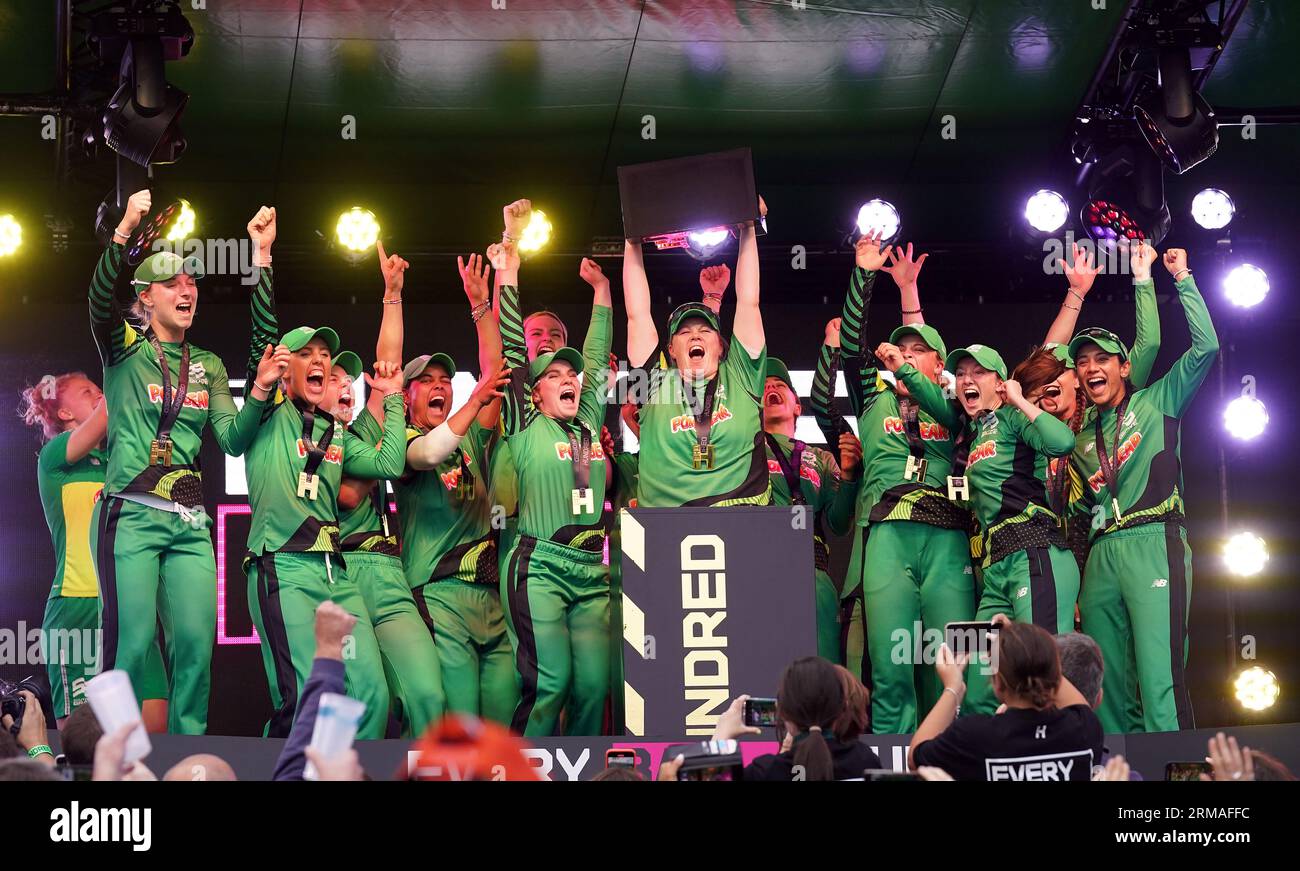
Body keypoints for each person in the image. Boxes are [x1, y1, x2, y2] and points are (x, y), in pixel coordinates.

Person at [87, 191, 286, 734]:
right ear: (145, 298)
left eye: (192, 282)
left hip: (190, 523)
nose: (187, 290)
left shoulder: (210, 366)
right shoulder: (125, 348)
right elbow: (99, 299)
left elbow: (234, 440)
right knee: (129, 646)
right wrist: (124, 230)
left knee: (197, 646)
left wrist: (263, 391)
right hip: (130, 515)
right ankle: (115, 759)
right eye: (172, 283)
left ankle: (182, 758)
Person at [239, 208, 409, 739]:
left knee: (371, 695)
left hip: (334, 575)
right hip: (281, 570)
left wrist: (393, 397)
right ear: (281, 368)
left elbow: (389, 464)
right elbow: (265, 333)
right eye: (306, 354)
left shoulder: (337, 433)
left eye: (325, 355)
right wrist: (262, 257)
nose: (318, 361)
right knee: (302, 703)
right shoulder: (270, 413)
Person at [810, 235, 973, 732]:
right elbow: (855, 341)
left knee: (953, 668)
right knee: (891, 666)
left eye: (918, 351)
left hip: (947, 537)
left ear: (939, 366)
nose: (904, 356)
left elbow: (944, 400)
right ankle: (892, 764)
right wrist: (861, 275)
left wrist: (910, 314)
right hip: (886, 535)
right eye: (898, 350)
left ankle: (952, 758)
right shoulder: (873, 399)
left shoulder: (955, 405)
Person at [1067, 247, 1218, 733]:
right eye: (1083, 361)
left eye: (1103, 359)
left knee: (1159, 680)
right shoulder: (1079, 437)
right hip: (1101, 556)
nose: (1093, 368)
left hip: (1155, 541)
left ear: (1124, 366)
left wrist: (1173, 277)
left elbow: (1206, 349)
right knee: (1105, 690)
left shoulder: (1159, 400)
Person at [323, 245, 448, 737]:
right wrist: (381, 446)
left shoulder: (362, 433)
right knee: (365, 710)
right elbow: (348, 497)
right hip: (340, 573)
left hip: (388, 573)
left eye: (347, 379)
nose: (346, 385)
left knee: (428, 697)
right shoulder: (300, 441)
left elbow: (388, 369)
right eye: (331, 378)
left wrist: (392, 295)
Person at [881, 342, 1080, 635]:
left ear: (1000, 383)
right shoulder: (969, 436)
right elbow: (933, 398)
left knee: (1038, 671)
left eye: (979, 372)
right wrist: (902, 369)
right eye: (960, 374)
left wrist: (1019, 400)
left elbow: (1062, 443)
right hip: (995, 566)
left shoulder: (1013, 418)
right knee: (978, 674)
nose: (967, 379)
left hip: (1033, 551)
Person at [396, 253, 516, 724]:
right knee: (462, 731)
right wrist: (473, 399)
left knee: (502, 729)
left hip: (492, 597)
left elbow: (495, 376)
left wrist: (482, 307)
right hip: (440, 594)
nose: (437, 387)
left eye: (445, 380)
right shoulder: (404, 442)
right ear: (407, 398)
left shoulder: (471, 441)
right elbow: (427, 454)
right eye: (424, 382)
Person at [498, 257, 613, 736]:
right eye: (553, 375)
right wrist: (508, 271)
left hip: (591, 570)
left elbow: (597, 345)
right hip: (539, 565)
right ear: (535, 390)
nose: (566, 379)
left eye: (572, 374)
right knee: (552, 683)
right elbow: (510, 346)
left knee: (592, 687)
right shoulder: (524, 421)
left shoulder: (589, 420)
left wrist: (602, 290)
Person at [20, 372, 167, 730]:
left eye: (102, 389)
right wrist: (126, 378)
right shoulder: (55, 458)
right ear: (66, 414)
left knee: (155, 735)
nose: (101, 395)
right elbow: (110, 410)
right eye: (89, 392)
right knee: (85, 743)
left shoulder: (123, 460)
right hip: (78, 607)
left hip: (131, 607)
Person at [1011, 241, 1163, 572]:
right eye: (1038, 386)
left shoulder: (1102, 412)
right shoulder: (1034, 432)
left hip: (1099, 543)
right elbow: (1047, 355)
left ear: (1077, 379)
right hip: (1043, 547)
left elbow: (1148, 345)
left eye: (1058, 374)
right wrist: (1075, 293)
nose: (1046, 385)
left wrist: (1141, 277)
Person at [622, 200, 769, 509]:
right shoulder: (653, 386)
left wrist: (748, 227)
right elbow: (636, 315)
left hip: (744, 519)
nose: (695, 335)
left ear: (720, 344)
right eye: (684, 332)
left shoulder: (743, 376)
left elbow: (748, 301)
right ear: (671, 350)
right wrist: (632, 239)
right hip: (664, 526)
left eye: (705, 330)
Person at [910, 618, 1103, 781]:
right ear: (1054, 672)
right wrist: (1025, 648)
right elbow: (1078, 702)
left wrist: (953, 688)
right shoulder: (1084, 728)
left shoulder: (974, 735)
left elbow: (915, 758)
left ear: (998, 684)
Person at [761, 357, 862, 662]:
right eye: (764, 387)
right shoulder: (740, 450)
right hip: (758, 570)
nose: (771, 388)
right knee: (762, 666)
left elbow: (839, 523)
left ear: (797, 407)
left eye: (780, 385)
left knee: (822, 670)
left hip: (812, 570)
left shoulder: (820, 458)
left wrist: (848, 476)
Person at [704, 657, 881, 781]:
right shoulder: (865, 760)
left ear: (784, 713)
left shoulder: (766, 771)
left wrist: (721, 737)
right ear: (842, 709)